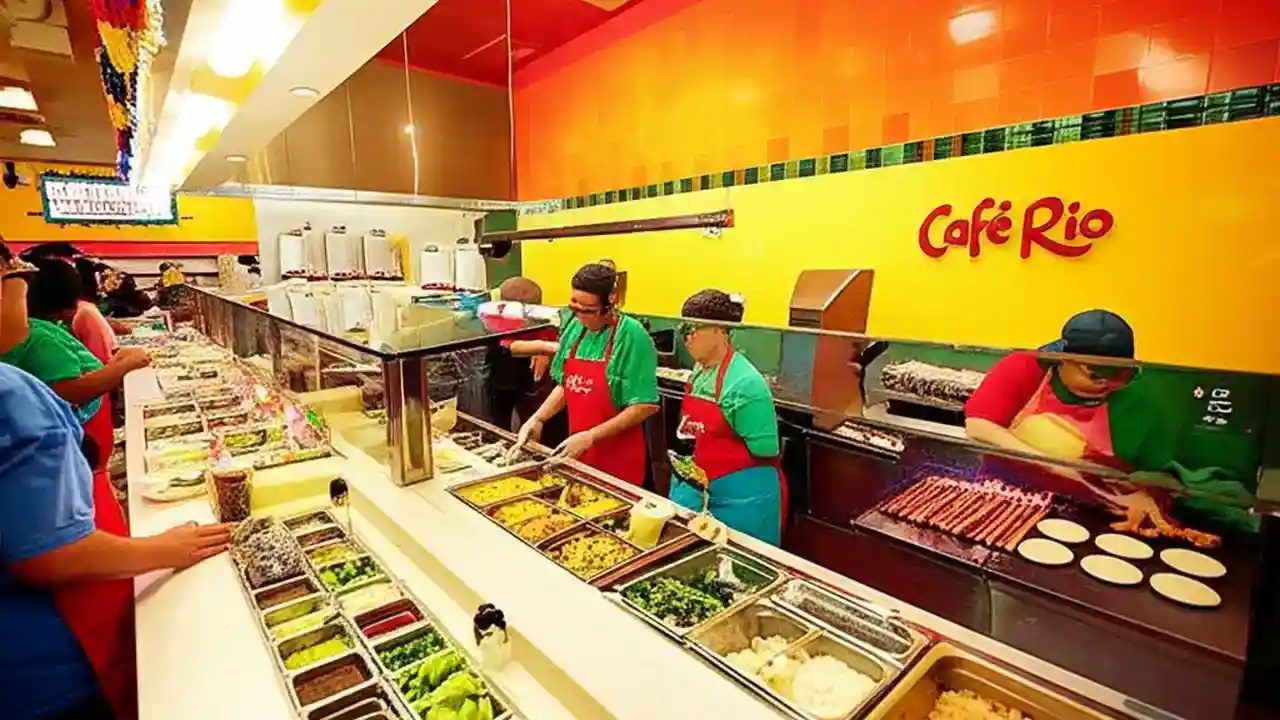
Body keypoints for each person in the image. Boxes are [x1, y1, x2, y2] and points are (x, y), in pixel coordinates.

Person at [0, 246, 233, 720]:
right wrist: (166, 549)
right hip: (50, 669)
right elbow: (46, 554)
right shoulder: (9, 394)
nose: (17, 289)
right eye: (10, 279)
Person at [964, 309, 1248, 539]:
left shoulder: (1140, 400)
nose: (1108, 385)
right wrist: (1056, 464)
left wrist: (1147, 493)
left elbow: (1159, 469)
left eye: (1121, 376)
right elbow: (979, 427)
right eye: (1096, 375)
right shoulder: (1025, 367)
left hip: (1087, 512)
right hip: (1005, 494)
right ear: (1062, 359)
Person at [515, 263, 659, 486]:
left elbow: (644, 405)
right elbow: (567, 384)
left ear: (610, 301)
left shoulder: (632, 336)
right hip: (578, 453)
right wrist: (538, 418)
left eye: (589, 311)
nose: (580, 316)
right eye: (575, 308)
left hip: (618, 461)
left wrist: (591, 436)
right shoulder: (575, 328)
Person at [1, 258, 150, 470]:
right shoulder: (38, 338)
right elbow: (71, 390)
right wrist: (124, 365)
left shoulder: (42, 329)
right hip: (75, 445)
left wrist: (117, 362)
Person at [668, 290, 787, 544]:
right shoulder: (700, 371)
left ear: (720, 330)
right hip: (703, 493)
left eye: (694, 329)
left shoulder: (745, 384)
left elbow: (765, 449)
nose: (687, 337)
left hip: (741, 504)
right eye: (684, 328)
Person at [487, 277, 567, 446]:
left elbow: (552, 333)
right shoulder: (499, 318)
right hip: (505, 375)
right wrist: (544, 347)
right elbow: (508, 345)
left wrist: (547, 351)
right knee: (501, 420)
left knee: (535, 420)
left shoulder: (544, 319)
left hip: (535, 381)